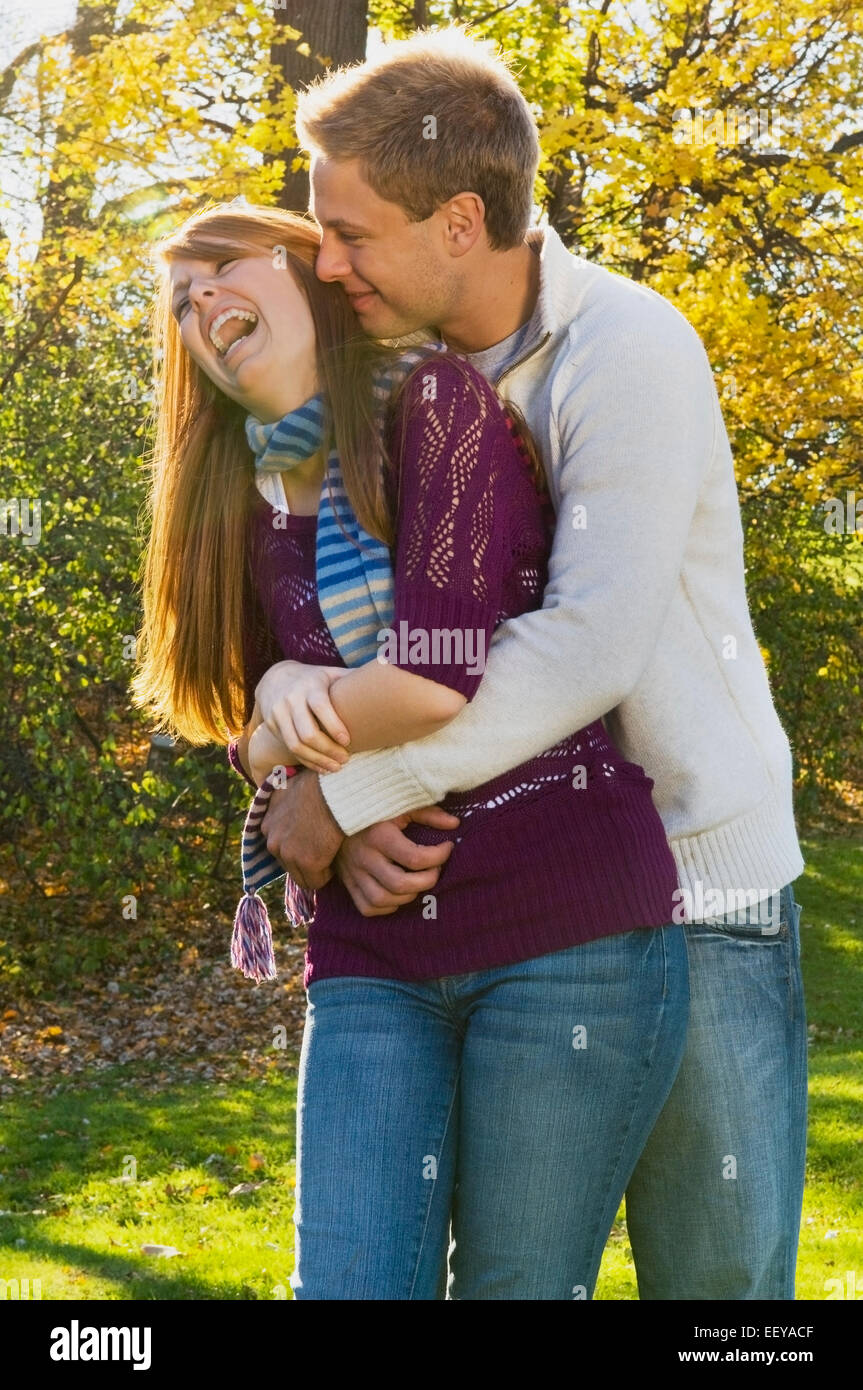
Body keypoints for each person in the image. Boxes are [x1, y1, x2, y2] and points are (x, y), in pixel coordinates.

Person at [256, 27, 808, 1300]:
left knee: (717, 1296)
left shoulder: (627, 348)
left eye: (352, 232)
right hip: (513, 902)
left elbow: (582, 647)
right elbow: (342, 632)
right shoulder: (390, 388)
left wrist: (344, 797)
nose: (325, 262)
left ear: (460, 220)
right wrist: (294, 754)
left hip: (698, 886)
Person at [132, 201, 690, 1299]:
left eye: (222, 268)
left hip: (560, 931)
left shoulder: (430, 404)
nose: (199, 301)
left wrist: (320, 757)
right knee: (345, 1285)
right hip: (371, 953)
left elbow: (436, 666)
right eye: (178, 297)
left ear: (310, 275)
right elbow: (242, 727)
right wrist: (294, 762)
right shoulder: (231, 493)